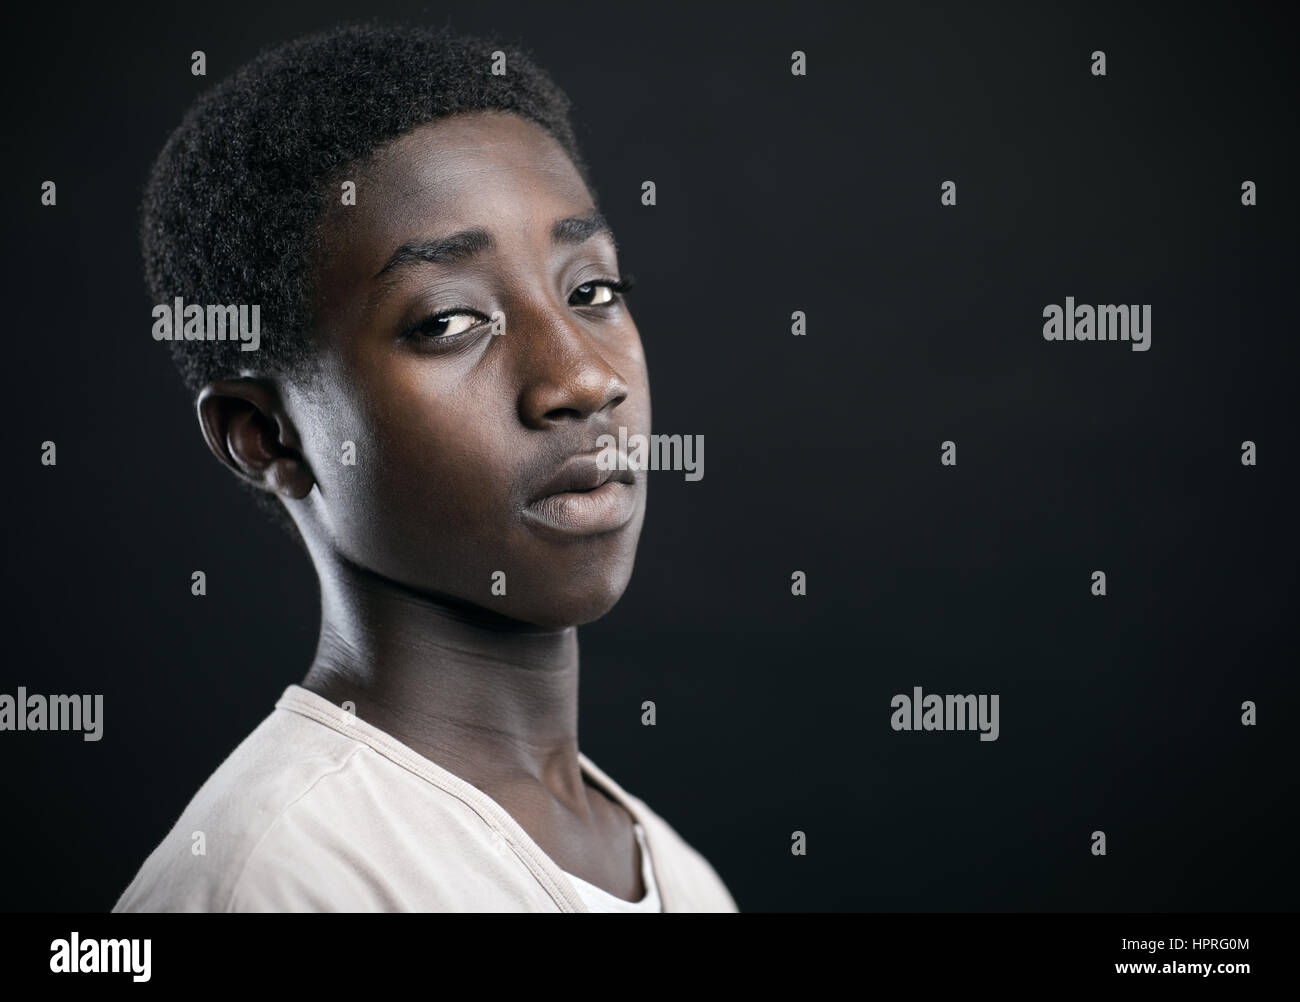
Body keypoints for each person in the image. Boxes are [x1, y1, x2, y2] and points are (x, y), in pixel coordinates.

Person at [113, 21, 737, 913]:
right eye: (447, 321)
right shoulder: (274, 880)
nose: (582, 379)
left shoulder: (681, 877)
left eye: (591, 291)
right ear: (267, 436)